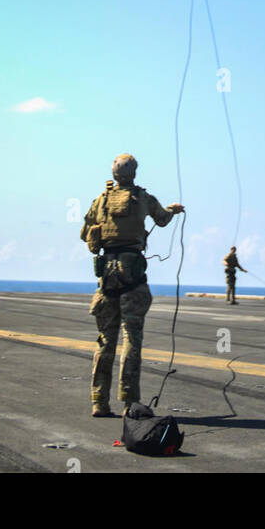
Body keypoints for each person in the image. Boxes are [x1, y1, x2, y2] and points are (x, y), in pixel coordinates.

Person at [80, 154, 184, 417]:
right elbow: (161, 219)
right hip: (133, 277)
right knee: (132, 341)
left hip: (107, 278)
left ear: (113, 173)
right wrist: (173, 210)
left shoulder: (100, 200)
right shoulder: (142, 198)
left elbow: (84, 234)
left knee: (105, 341)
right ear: (134, 173)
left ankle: (98, 402)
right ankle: (129, 402)